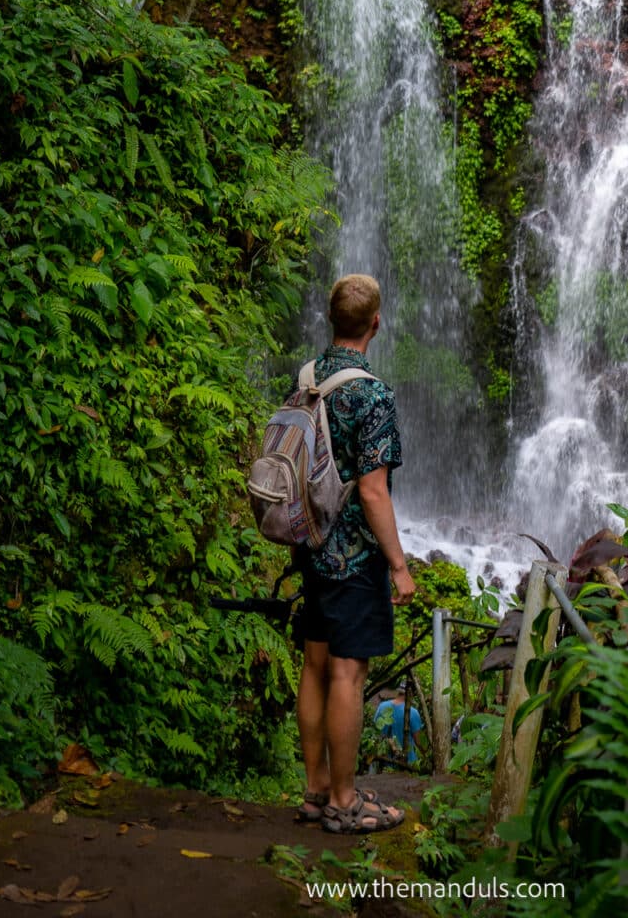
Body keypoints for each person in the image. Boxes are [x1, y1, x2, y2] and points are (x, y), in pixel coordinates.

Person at [294, 273, 416, 834]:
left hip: (309, 546)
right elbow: (372, 489)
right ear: (375, 322)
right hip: (353, 558)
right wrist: (398, 563)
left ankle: (316, 788)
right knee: (347, 673)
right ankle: (344, 800)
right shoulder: (372, 393)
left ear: (330, 319)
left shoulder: (305, 379)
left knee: (315, 664)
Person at [374, 681, 424, 768]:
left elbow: (376, 730)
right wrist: (425, 755)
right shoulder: (413, 713)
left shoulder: (382, 706)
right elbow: (418, 741)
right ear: (412, 694)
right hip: (407, 763)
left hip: (383, 760)